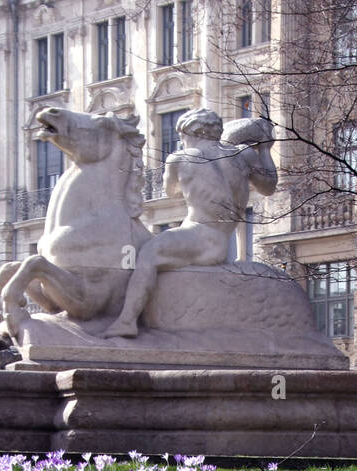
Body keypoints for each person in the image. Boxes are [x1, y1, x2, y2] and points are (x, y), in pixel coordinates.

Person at [103, 108, 277, 338]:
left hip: (201, 235)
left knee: (147, 253)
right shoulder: (243, 156)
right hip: (223, 240)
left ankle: (126, 320)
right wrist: (264, 148)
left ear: (192, 132)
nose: (181, 142)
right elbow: (269, 186)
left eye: (182, 137)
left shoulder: (180, 158)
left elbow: (171, 191)